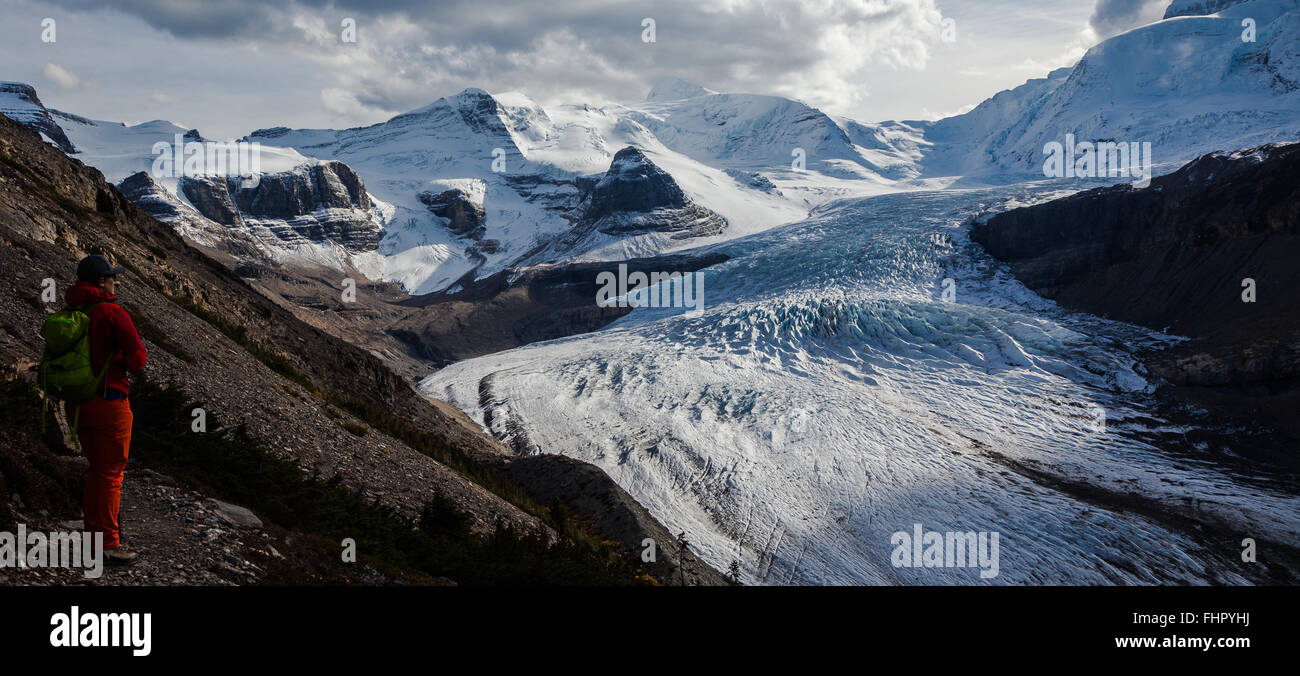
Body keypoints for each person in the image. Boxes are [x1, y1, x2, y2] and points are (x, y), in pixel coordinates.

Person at [64, 254, 148, 566]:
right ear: (102, 281)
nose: (116, 281)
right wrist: (120, 364)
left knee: (96, 470)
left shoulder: (71, 309)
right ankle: (107, 545)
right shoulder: (111, 312)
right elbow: (138, 359)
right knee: (111, 473)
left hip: (76, 402)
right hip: (109, 401)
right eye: (112, 277)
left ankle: (93, 537)